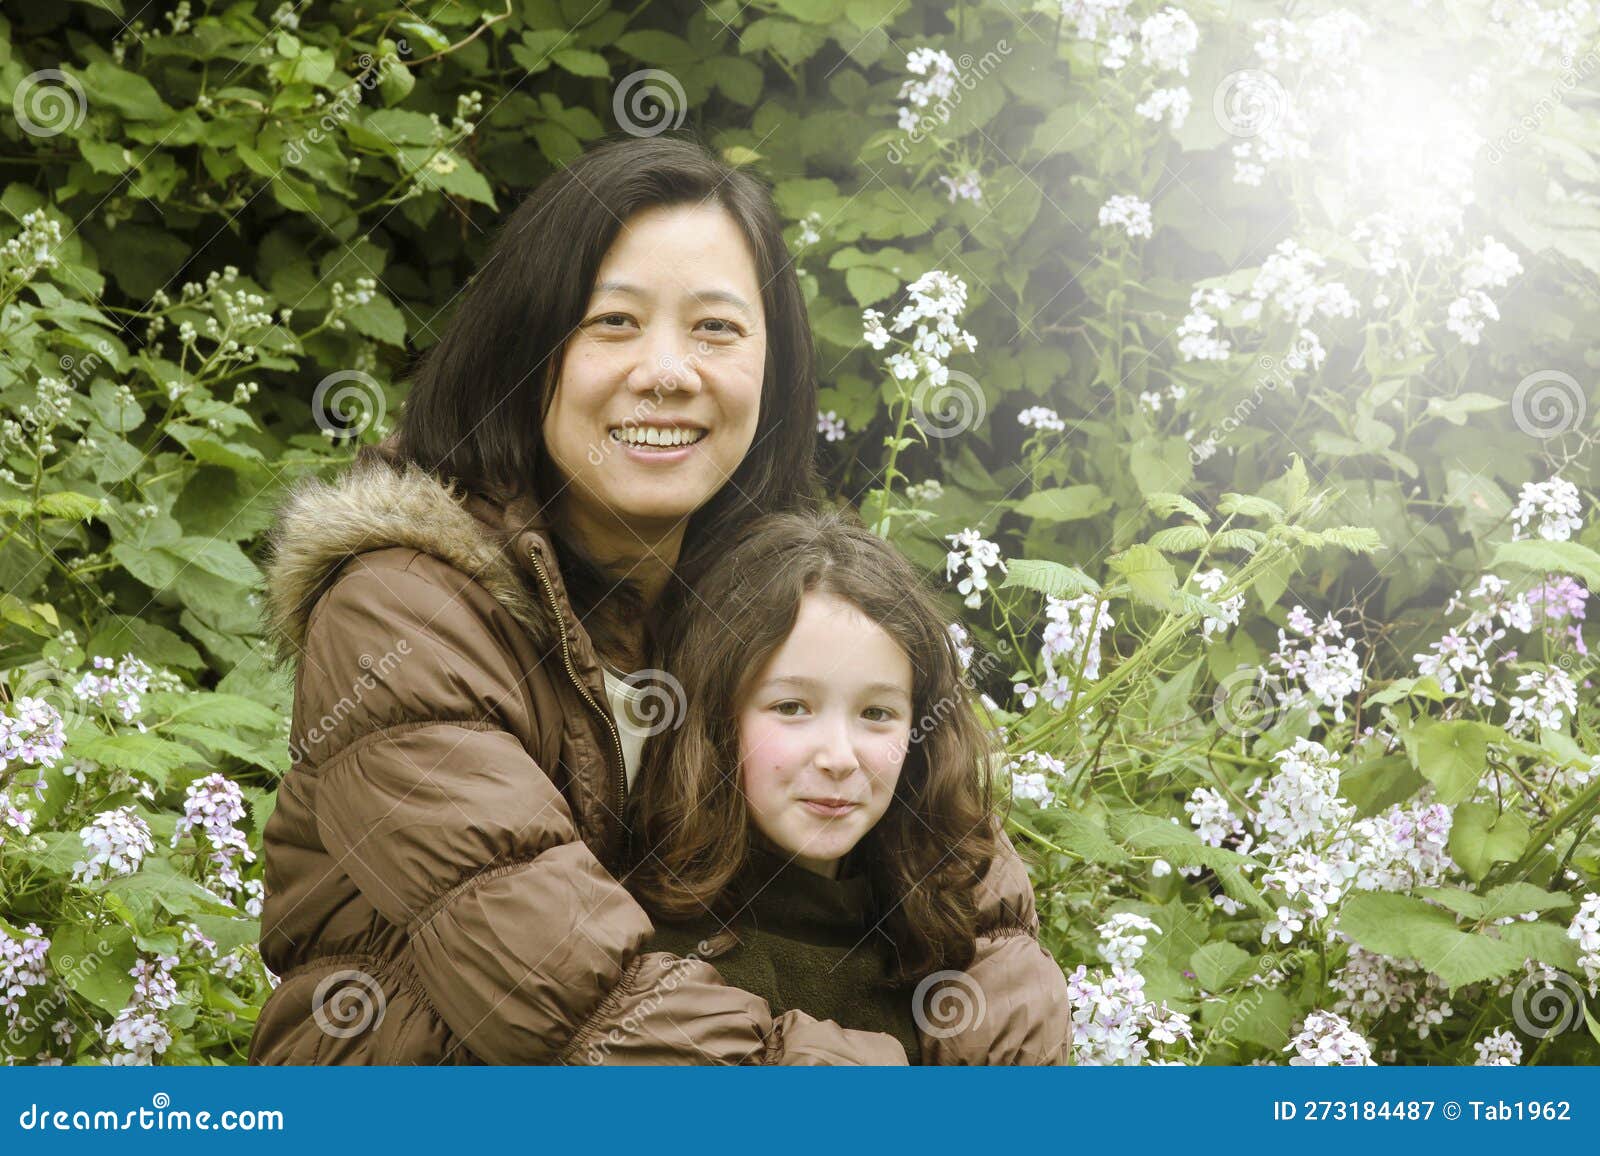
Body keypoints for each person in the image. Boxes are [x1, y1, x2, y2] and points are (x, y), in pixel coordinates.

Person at [248, 132, 1048, 1065]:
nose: (668, 372)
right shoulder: (401, 613)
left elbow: (980, 911)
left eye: (716, 328)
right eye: (614, 322)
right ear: (525, 348)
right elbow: (583, 1010)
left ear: (772, 368)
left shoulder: (785, 598)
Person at [624, 508, 1072, 1064]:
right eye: (791, 707)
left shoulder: (952, 929)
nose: (840, 758)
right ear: (719, 718)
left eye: (877, 713)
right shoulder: (654, 944)